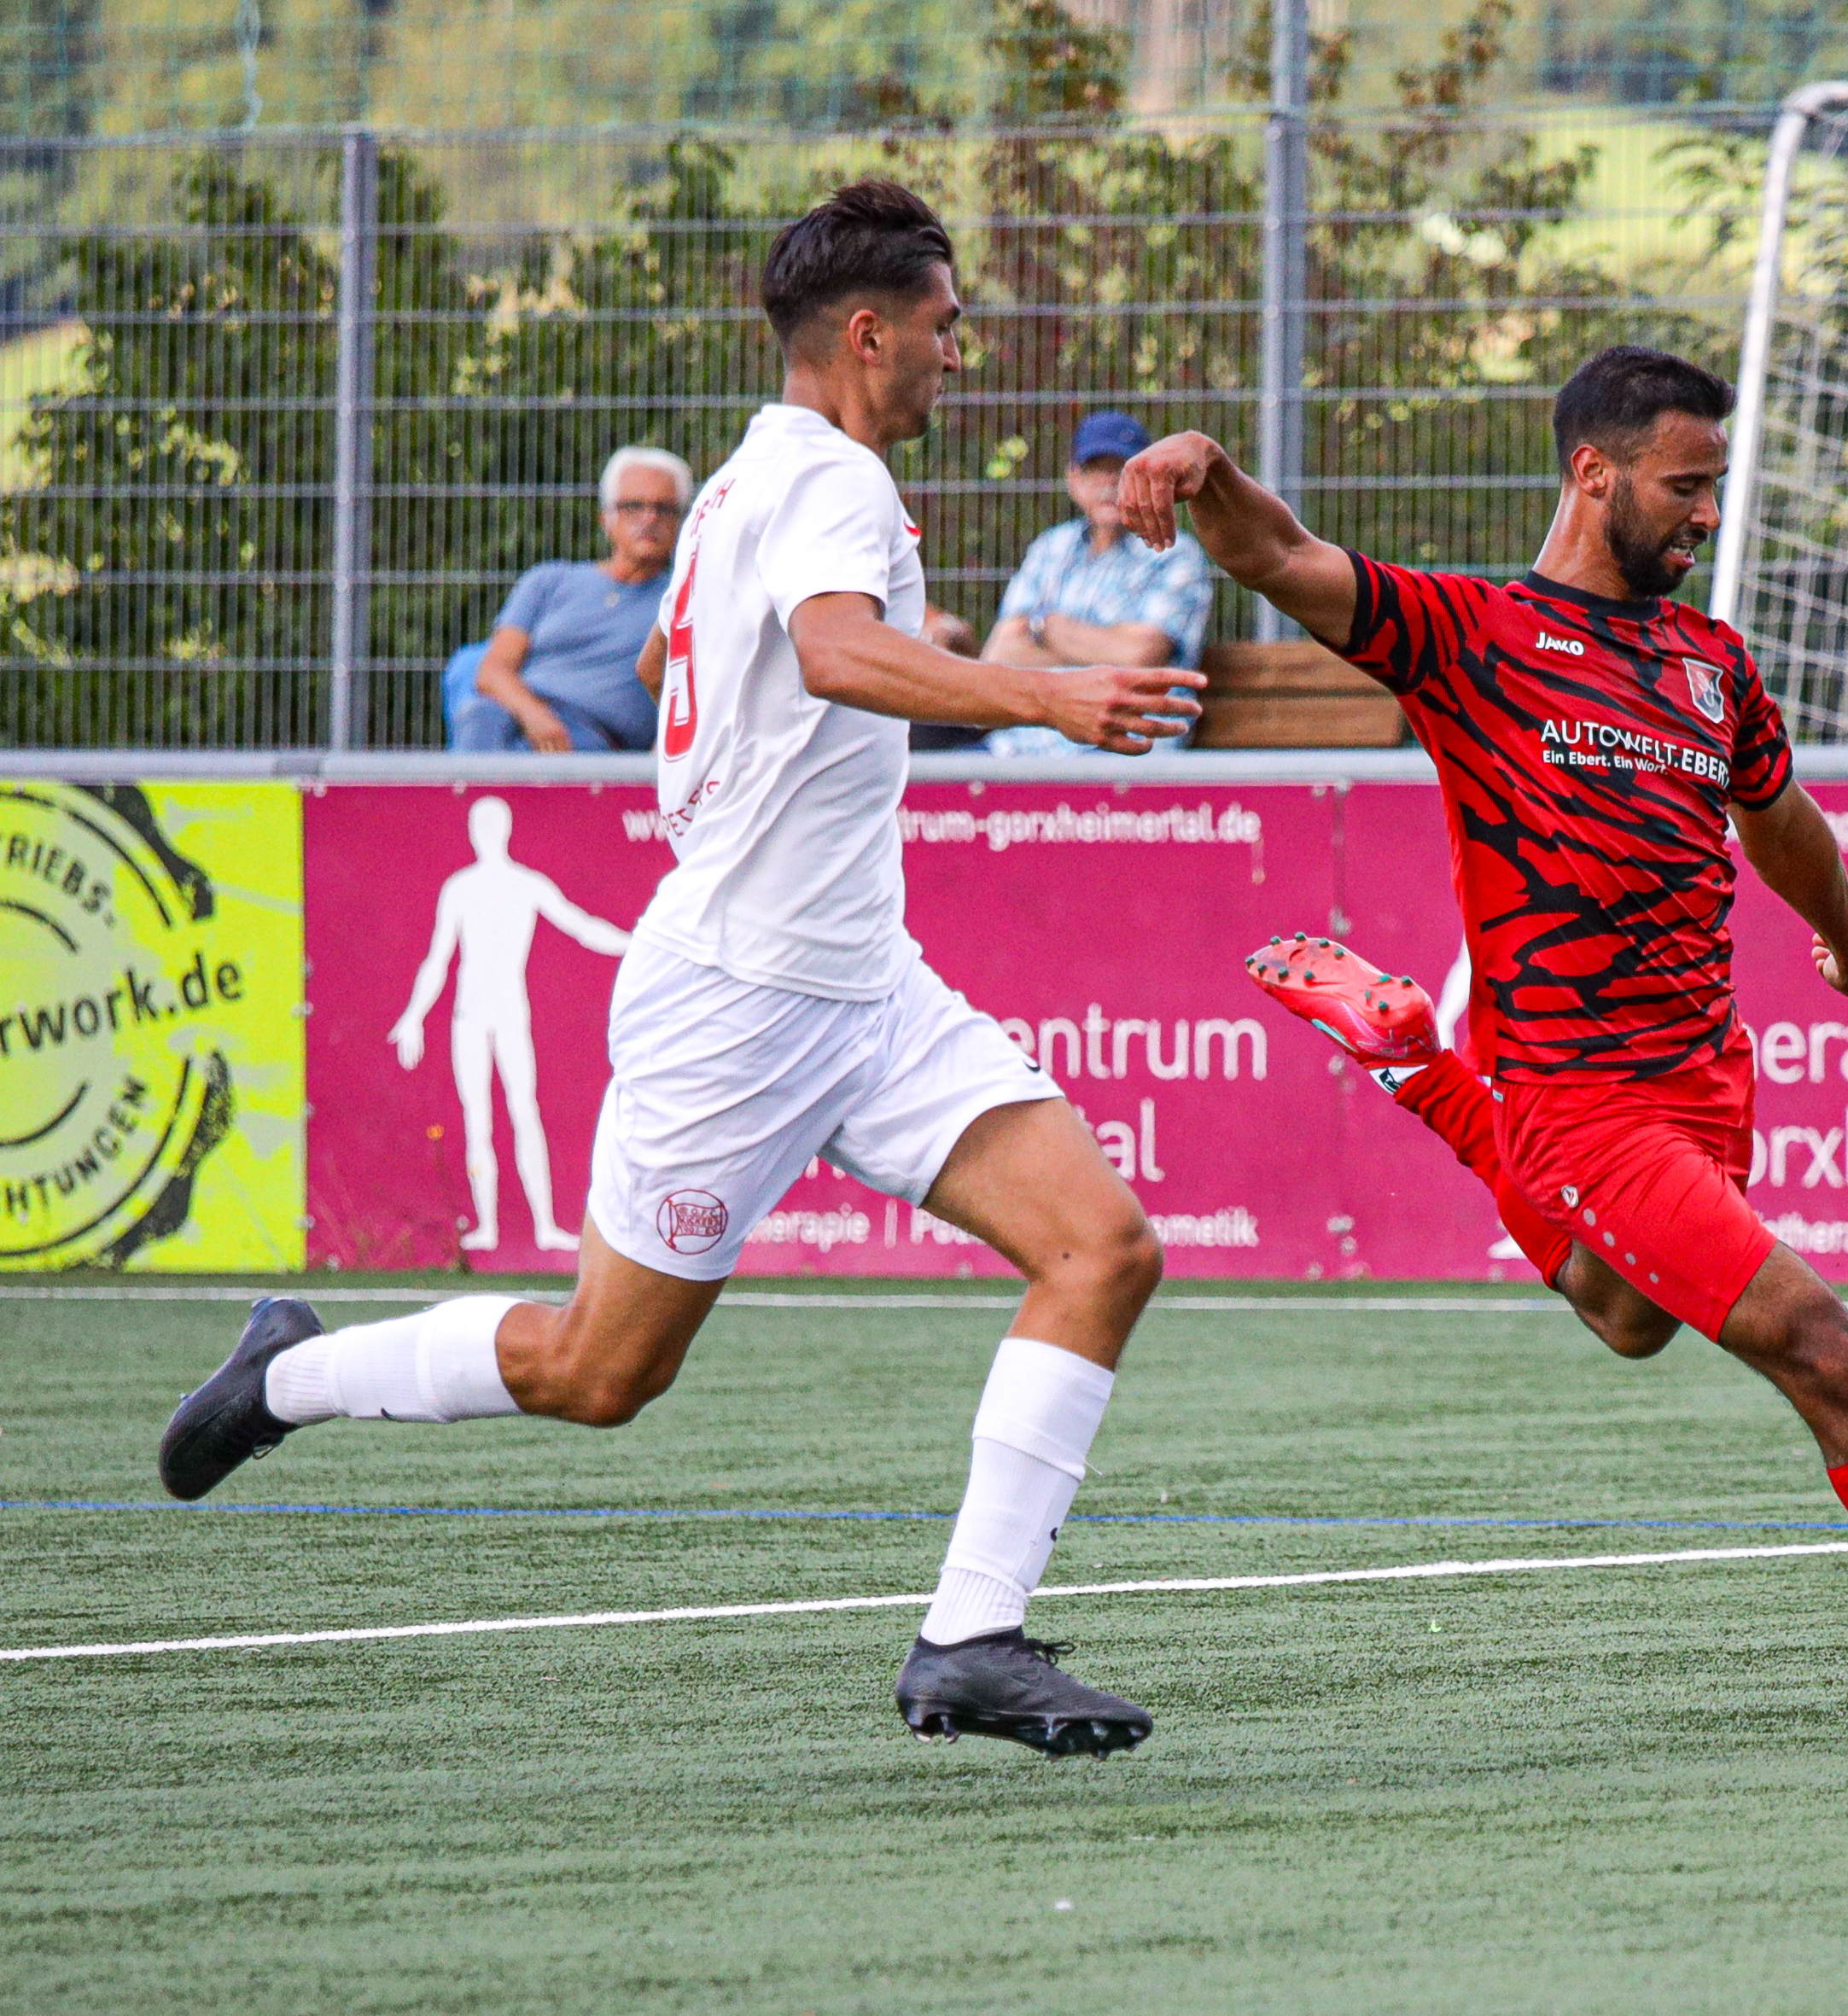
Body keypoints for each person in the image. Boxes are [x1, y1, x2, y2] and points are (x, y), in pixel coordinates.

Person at [160, 179, 1207, 1758]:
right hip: (738, 995)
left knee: (1102, 1248)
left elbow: (672, 659)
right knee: (599, 1369)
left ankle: (968, 1640)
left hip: (864, 979)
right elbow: (842, 652)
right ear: (867, 334)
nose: (955, 355)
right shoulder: (829, 482)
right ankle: (295, 1371)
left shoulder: (742, 484)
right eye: (938, 328)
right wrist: (1040, 698)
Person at [1117, 345, 1848, 1751]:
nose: (1706, 513)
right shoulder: (1468, 632)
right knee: (1818, 1344)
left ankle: (1422, 1068)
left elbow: (1781, 821)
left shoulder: (1708, 662)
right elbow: (1287, 557)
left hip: (1704, 1077)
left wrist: (1845, 938)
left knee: (1627, 1316)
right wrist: (1206, 469)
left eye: (1715, 486)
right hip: (1577, 1098)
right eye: (1684, 485)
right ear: (1592, 474)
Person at [388, 796, 635, 1254]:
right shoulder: (460, 887)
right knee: (478, 1117)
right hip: (469, 1017)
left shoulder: (526, 885)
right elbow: (438, 958)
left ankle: (544, 1225)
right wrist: (414, 1016)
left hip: (508, 1013)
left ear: (501, 831)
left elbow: (581, 926)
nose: (482, 834)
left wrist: (635, 943)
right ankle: (487, 1226)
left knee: (524, 1112)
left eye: (488, 826)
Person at [975, 410, 1212, 758]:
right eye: (1095, 469)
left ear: (1149, 479)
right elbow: (999, 655)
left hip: (1127, 749)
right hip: (1023, 747)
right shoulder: (1051, 547)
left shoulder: (1174, 554)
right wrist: (1104, 648)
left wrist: (1045, 629)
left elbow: (1140, 656)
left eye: (1122, 470)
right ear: (1073, 479)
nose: (1108, 483)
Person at [456, 446, 692, 753]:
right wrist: (535, 715)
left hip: (594, 736)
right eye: (634, 506)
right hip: (519, 711)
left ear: (681, 523)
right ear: (606, 518)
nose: (650, 518)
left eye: (664, 508)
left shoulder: (683, 599)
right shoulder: (549, 580)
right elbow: (492, 671)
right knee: (477, 716)